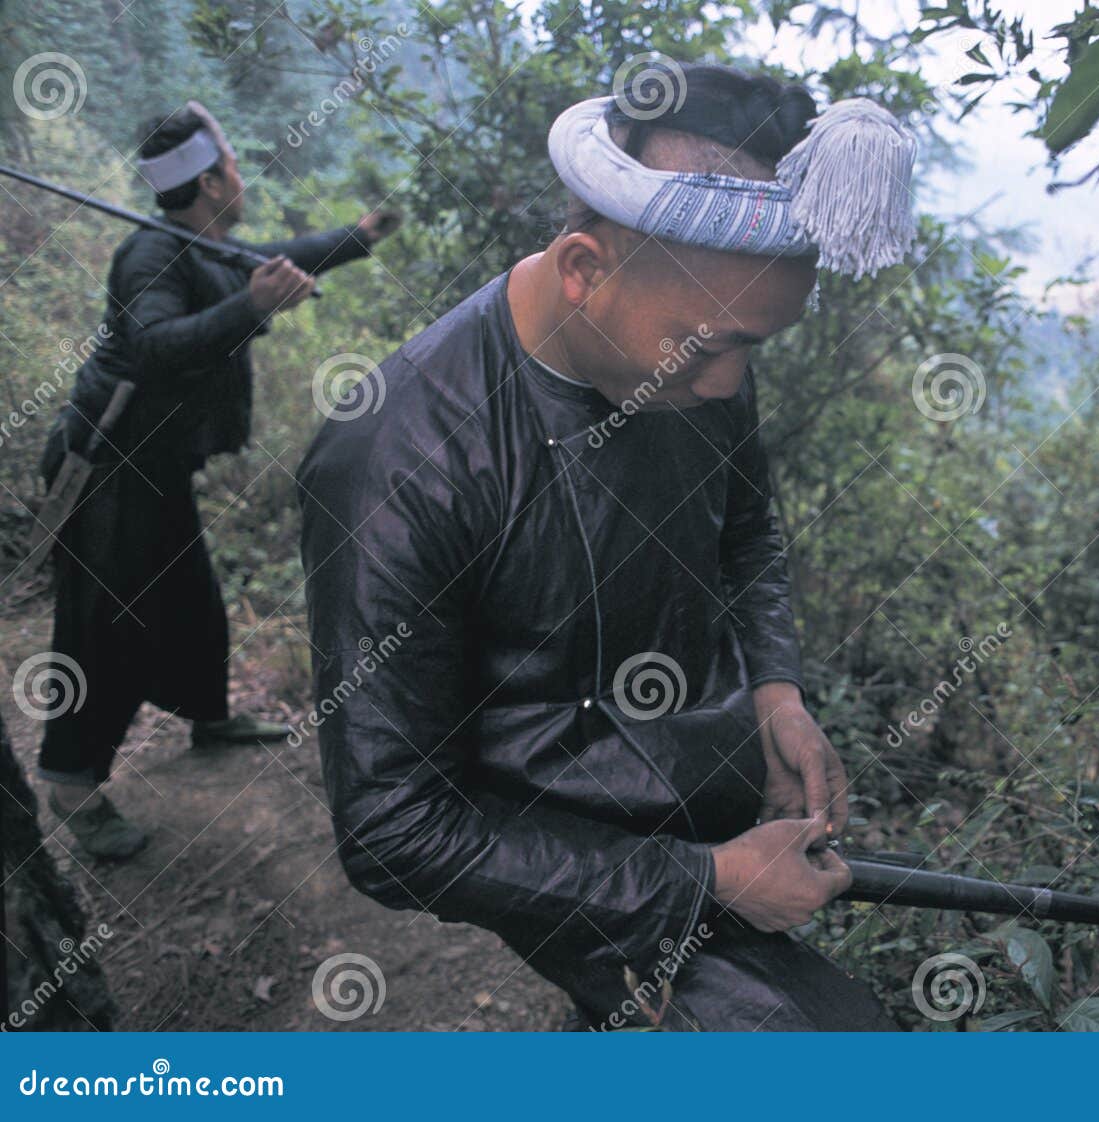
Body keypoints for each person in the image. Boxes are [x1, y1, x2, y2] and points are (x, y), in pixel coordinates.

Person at [296, 64, 917, 1030]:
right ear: (585, 268)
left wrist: (775, 692)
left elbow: (746, 526)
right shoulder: (399, 456)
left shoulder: (697, 348)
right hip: (547, 834)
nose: (729, 385)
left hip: (695, 773)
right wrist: (704, 882)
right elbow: (392, 827)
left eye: (754, 347)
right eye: (712, 347)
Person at [33, 102, 401, 860]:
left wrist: (356, 238)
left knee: (192, 599)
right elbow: (155, 347)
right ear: (208, 183)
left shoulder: (200, 244)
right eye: (233, 167)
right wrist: (252, 305)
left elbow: (274, 255)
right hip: (107, 466)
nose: (241, 178)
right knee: (102, 629)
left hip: (155, 466)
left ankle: (210, 716)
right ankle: (69, 782)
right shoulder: (151, 258)